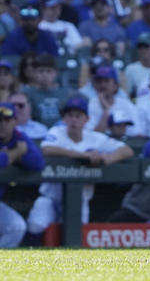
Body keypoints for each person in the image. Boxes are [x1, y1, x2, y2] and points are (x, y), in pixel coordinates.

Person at [26, 95, 133, 237]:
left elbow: (127, 150)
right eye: (70, 115)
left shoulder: (94, 137)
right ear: (64, 118)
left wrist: (109, 158)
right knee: (35, 226)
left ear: (86, 119)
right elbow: (46, 149)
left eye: (78, 116)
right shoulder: (57, 131)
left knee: (76, 236)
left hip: (79, 201)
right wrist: (83, 155)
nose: (74, 120)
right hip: (50, 198)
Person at [0, 102, 44, 248]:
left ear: (15, 121)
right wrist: (16, 153)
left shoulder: (19, 137)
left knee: (16, 227)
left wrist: (14, 156)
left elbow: (38, 163)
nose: (2, 124)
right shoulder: (18, 146)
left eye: (7, 120)